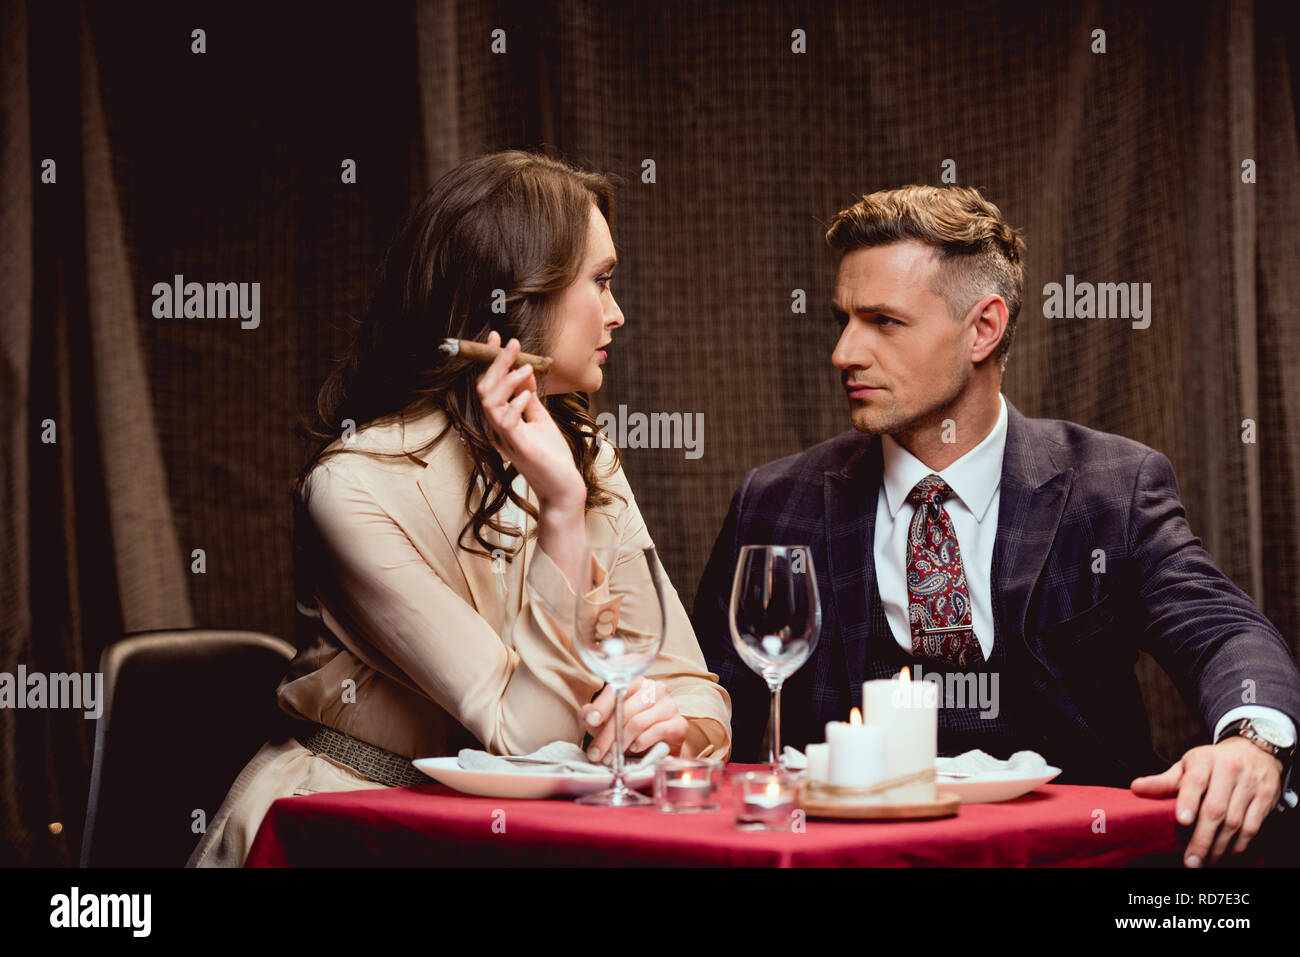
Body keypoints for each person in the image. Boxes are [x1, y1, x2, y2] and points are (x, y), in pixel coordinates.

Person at [693, 184, 1300, 867]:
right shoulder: (775, 501)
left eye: (883, 322)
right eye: (842, 320)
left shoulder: (1111, 487)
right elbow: (709, 701)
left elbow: (1224, 631)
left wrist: (1253, 738)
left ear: (983, 327)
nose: (844, 352)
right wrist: (674, 723)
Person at [187, 150, 731, 868]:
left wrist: (669, 730)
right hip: (346, 831)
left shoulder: (583, 450)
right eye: (599, 282)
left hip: (512, 838)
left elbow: (696, 690)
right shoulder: (354, 486)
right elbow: (530, 740)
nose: (617, 312)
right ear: (517, 297)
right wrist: (563, 511)